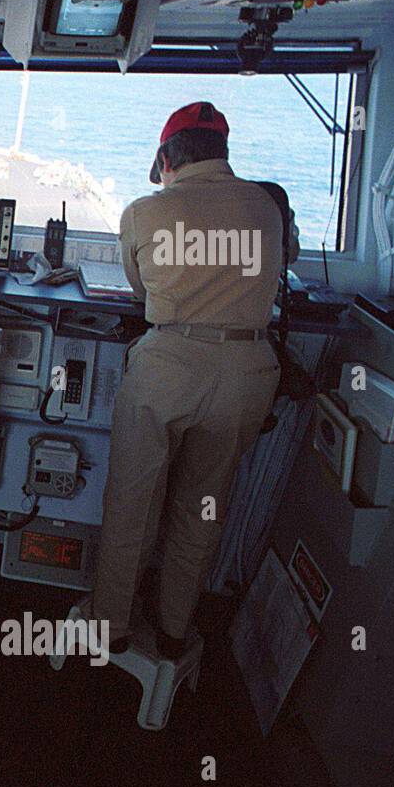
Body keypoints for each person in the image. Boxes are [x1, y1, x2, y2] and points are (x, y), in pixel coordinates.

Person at [92, 101, 287, 658]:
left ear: (166, 158)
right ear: (223, 152)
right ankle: (175, 630)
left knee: (132, 504)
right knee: (203, 505)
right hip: (247, 376)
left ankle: (110, 630)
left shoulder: (146, 211)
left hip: (170, 368)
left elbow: (140, 292)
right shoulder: (267, 207)